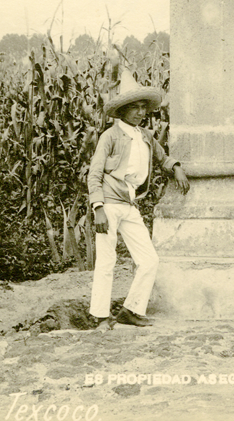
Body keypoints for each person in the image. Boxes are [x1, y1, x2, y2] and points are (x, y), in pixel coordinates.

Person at [87, 72, 189, 327]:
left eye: (144, 108)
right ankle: (100, 316)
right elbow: (95, 173)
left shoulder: (145, 136)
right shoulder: (109, 137)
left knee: (149, 259)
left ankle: (131, 310)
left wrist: (174, 166)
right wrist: (97, 207)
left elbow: (161, 156)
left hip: (129, 204)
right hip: (109, 203)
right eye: (135, 108)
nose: (141, 112)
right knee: (107, 260)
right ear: (121, 111)